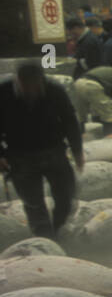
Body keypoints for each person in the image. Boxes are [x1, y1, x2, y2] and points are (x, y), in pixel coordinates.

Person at [0, 62, 83, 238]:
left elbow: (70, 120)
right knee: (33, 202)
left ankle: (59, 227)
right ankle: (46, 238)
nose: (31, 90)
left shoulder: (55, 90)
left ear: (41, 81)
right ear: (18, 81)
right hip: (19, 155)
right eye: (26, 86)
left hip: (54, 151)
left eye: (35, 85)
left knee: (65, 196)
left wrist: (78, 151)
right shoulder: (3, 91)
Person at [70, 64, 112, 137]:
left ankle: (79, 137)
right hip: (92, 85)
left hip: (78, 83)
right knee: (109, 114)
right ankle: (109, 139)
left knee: (80, 115)